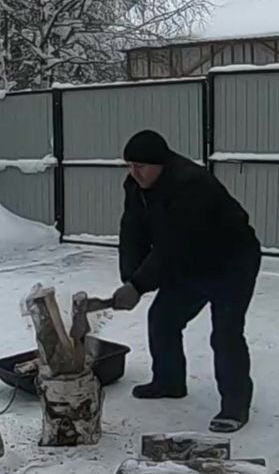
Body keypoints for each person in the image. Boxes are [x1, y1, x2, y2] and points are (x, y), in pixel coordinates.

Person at [110, 129, 263, 432]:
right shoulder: (136, 187)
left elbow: (173, 244)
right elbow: (132, 231)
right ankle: (169, 381)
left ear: (160, 164)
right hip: (190, 263)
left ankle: (234, 406)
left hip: (231, 262)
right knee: (163, 318)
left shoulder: (193, 185)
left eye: (140, 166)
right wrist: (130, 277)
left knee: (226, 334)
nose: (134, 172)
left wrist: (139, 285)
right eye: (129, 165)